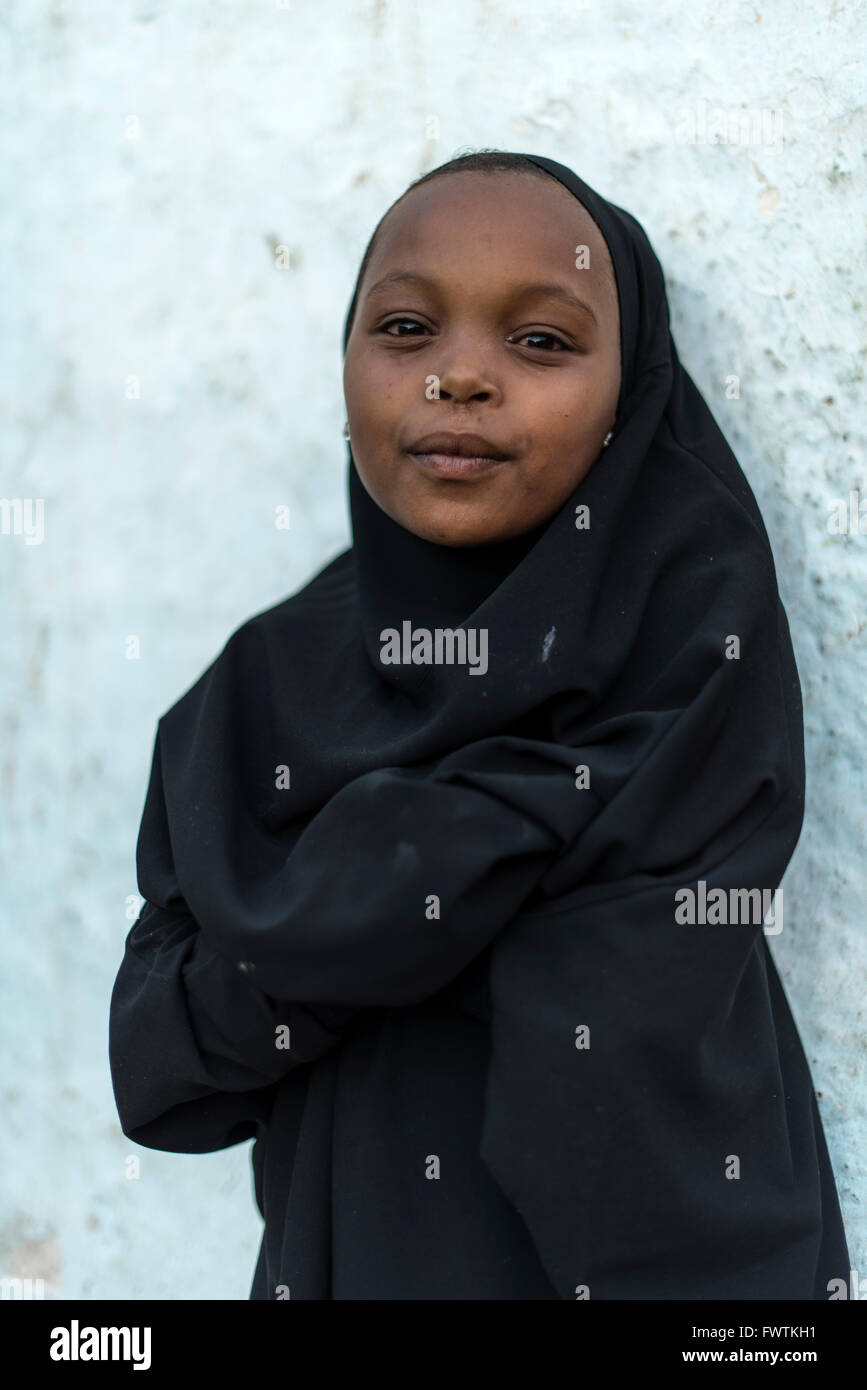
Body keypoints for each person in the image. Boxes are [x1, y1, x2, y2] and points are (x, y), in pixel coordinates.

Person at [109, 150, 850, 1300]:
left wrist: (361, 889)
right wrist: (450, 868)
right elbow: (165, 1061)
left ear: (631, 393)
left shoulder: (690, 659)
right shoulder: (265, 688)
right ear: (346, 358)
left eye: (542, 341)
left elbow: (611, 997)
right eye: (406, 328)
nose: (460, 376)